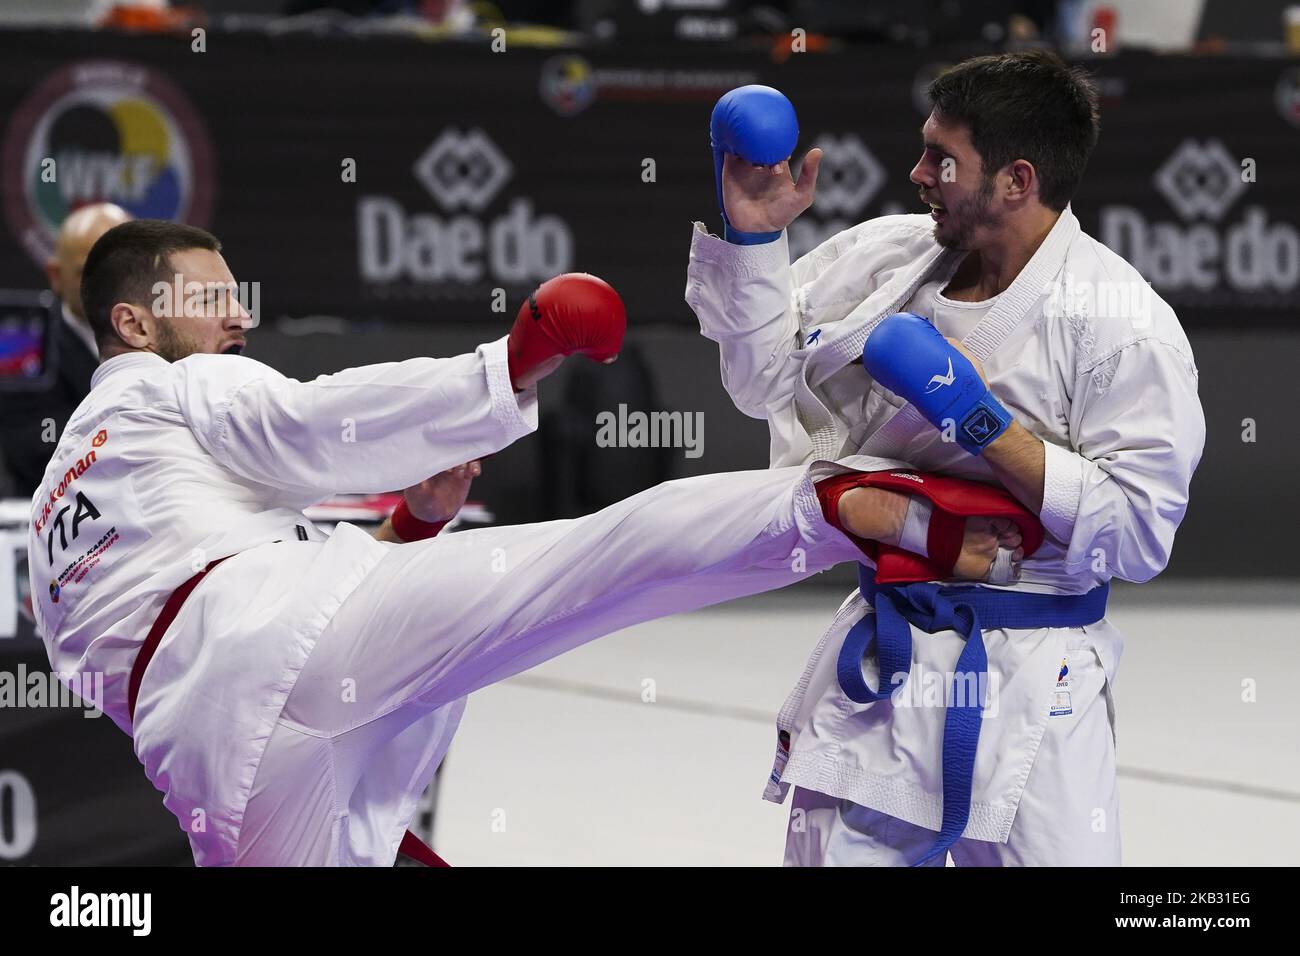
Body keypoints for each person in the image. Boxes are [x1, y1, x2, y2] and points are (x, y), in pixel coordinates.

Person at [26, 219, 1016, 866]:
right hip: (282, 638)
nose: (238, 313)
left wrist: (411, 525)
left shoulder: (54, 515)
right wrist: (505, 367)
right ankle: (831, 506)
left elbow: (166, 635)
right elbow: (313, 427)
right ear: (131, 320)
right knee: (590, 561)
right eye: (209, 299)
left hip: (211, 758)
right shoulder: (165, 386)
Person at [686, 51, 1206, 865]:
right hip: (885, 666)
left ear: (1016, 179)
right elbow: (765, 386)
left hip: (1035, 685)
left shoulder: (1121, 324)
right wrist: (757, 241)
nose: (917, 172)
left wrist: (980, 424)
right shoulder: (889, 258)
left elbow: (1140, 536)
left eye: (943, 158)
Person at [0, 204, 131, 493]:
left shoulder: (168, 340)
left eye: (122, 271)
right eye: (89, 272)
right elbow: (33, 449)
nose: (110, 287)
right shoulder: (23, 344)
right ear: (56, 276)